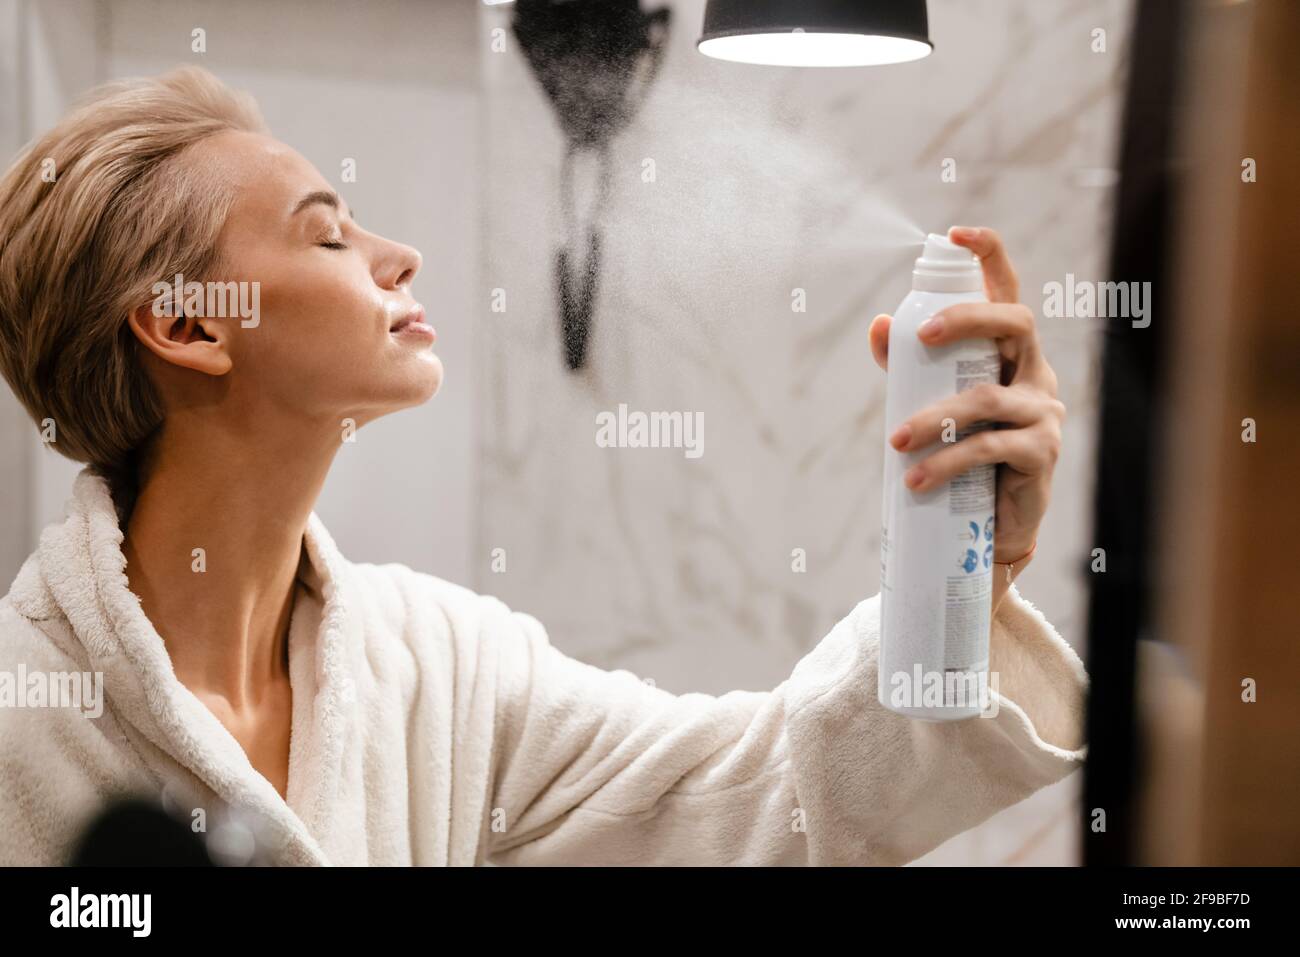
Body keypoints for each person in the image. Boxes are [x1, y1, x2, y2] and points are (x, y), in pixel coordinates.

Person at [0, 67, 1084, 866]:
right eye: (328, 237)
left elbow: (768, 793)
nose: (399, 256)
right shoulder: (22, 712)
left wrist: (967, 564)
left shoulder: (445, 670)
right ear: (189, 324)